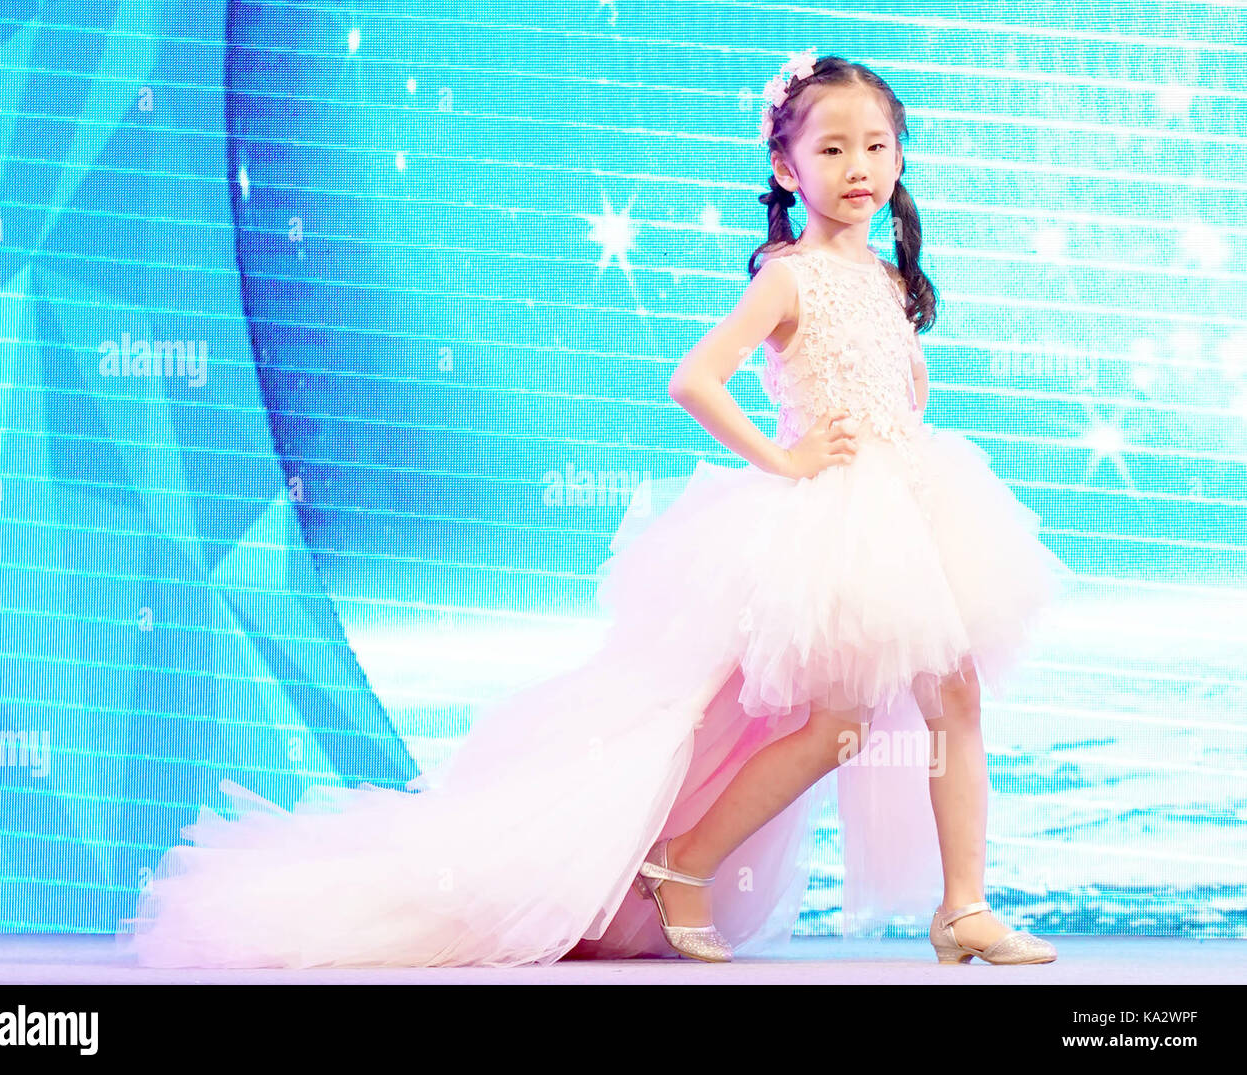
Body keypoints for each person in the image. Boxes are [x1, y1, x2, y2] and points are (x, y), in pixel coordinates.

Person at [117, 51, 1069, 970]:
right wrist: (788, 458)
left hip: (911, 507)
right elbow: (694, 379)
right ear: (786, 164)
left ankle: (964, 907)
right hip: (842, 524)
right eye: (831, 148)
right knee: (836, 725)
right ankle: (679, 861)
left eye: (876, 146)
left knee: (957, 695)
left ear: (901, 157)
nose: (857, 166)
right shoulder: (790, 274)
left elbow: (898, 387)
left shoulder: (890, 278)